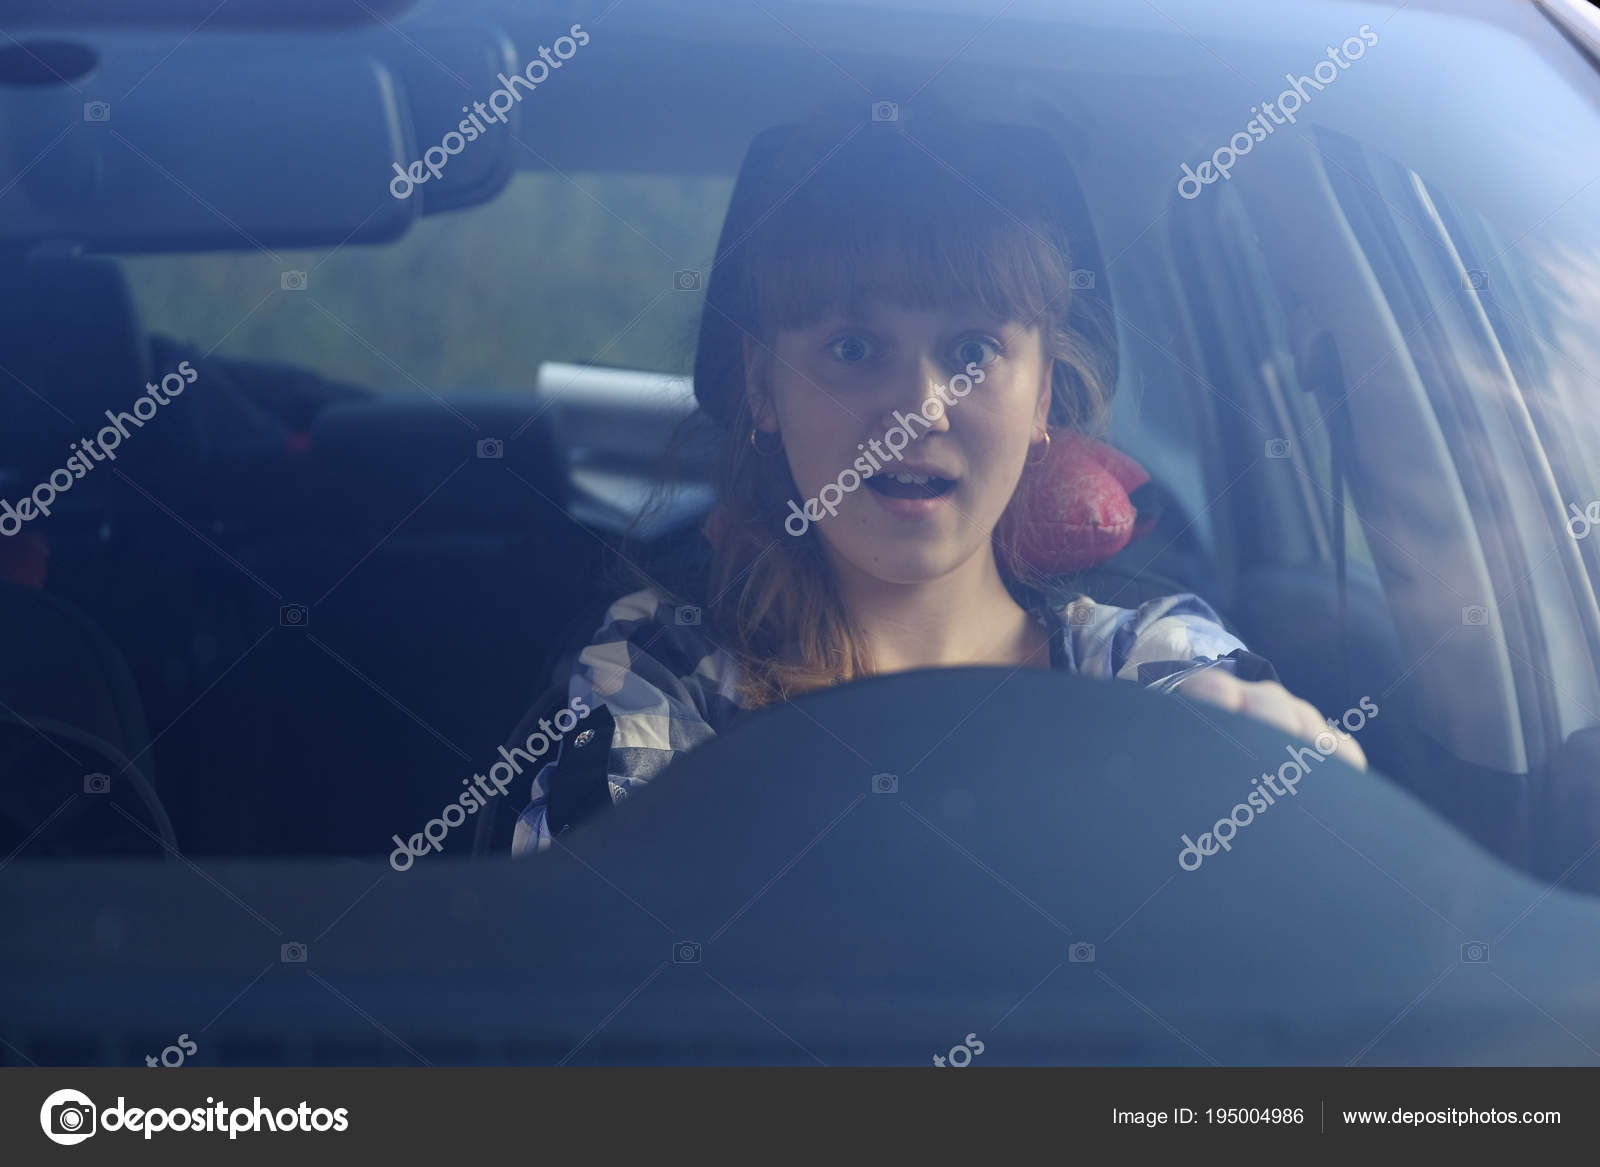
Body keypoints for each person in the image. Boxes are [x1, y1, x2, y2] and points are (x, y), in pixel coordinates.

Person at [511, 111, 1364, 856]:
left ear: (1044, 398)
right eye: (853, 348)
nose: (919, 408)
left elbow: (1208, 711)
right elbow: (587, 951)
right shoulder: (663, 668)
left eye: (971, 352)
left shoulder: (1137, 657)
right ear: (764, 387)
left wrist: (1248, 751)